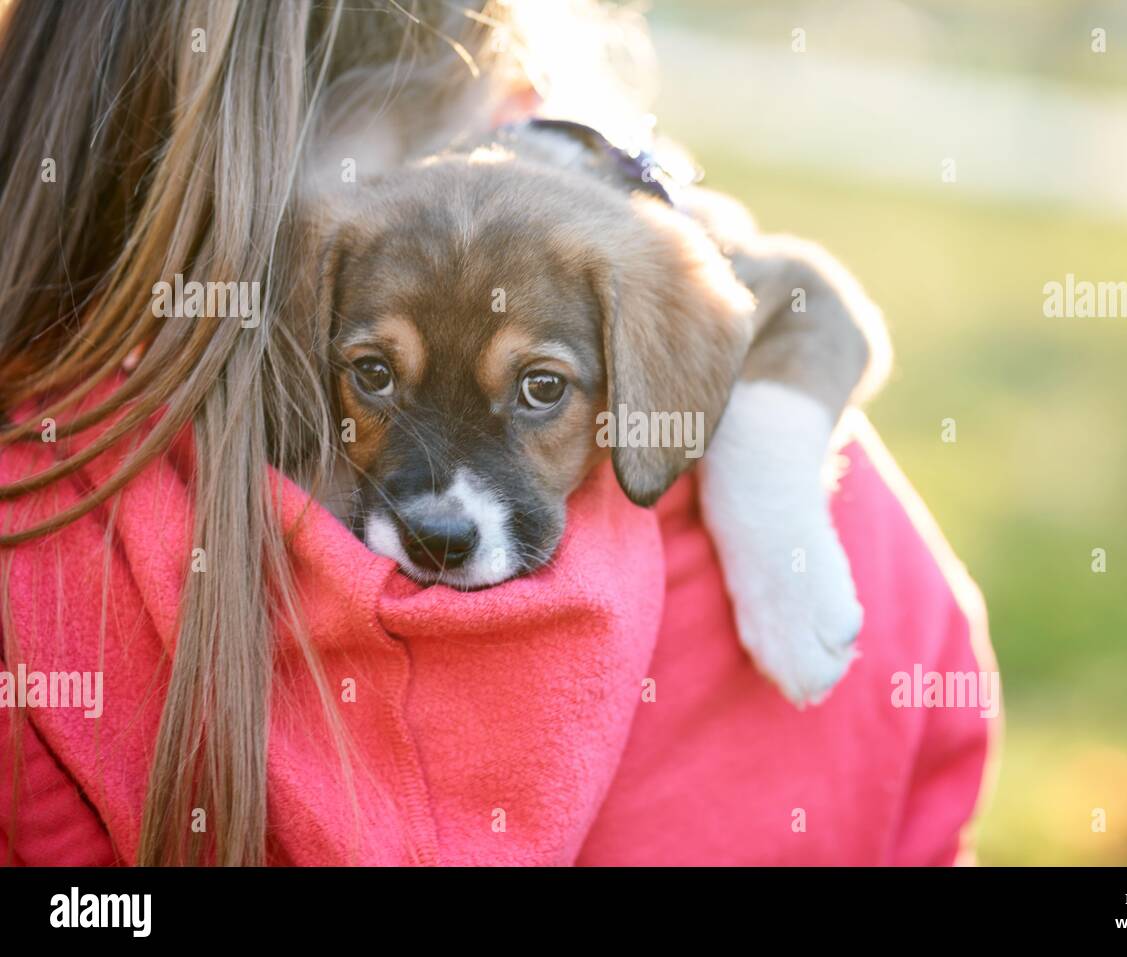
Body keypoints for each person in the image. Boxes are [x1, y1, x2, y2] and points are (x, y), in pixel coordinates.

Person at [0, 0, 996, 866]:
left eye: (539, 390)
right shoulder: (874, 536)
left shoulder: (47, 543)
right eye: (377, 375)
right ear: (509, 77)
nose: (441, 509)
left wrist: (764, 492)